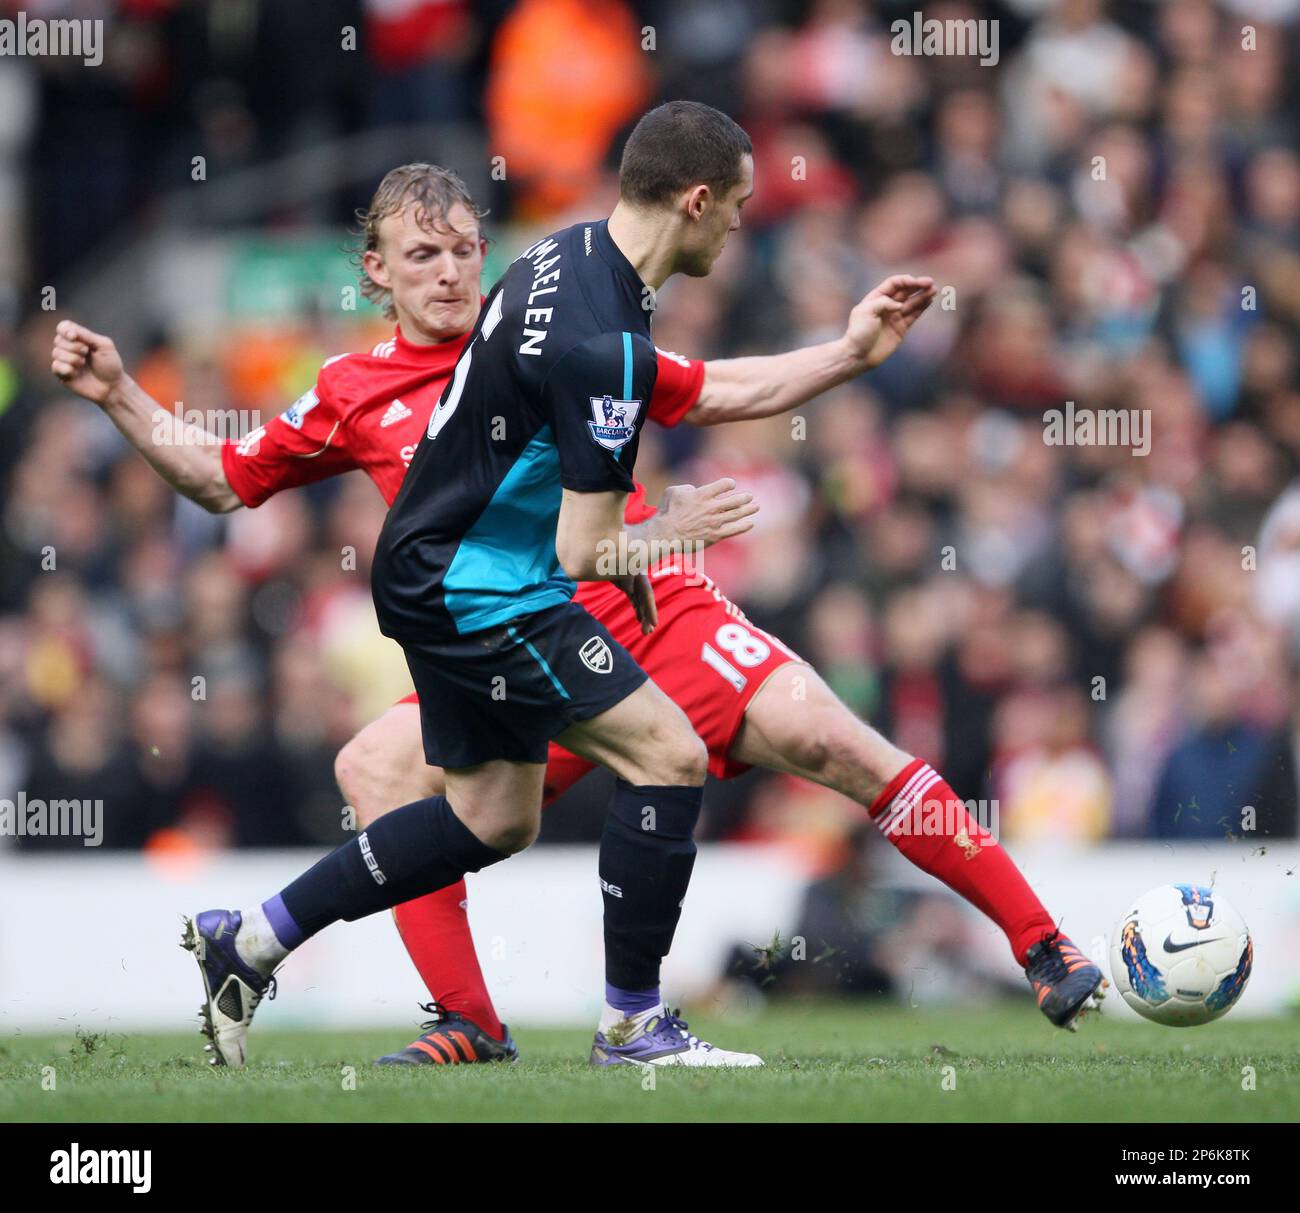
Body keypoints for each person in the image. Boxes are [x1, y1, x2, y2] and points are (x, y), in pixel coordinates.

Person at [54, 107, 1101, 1071]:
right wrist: (122, 397)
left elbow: (704, 387)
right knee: (385, 763)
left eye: (466, 246)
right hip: (520, 609)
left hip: (631, 613)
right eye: (423, 254)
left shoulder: (538, 308)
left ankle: (1040, 943)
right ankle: (511, 1019)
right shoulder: (357, 390)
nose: (453, 272)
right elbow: (223, 479)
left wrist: (845, 354)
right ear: (376, 273)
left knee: (828, 743)